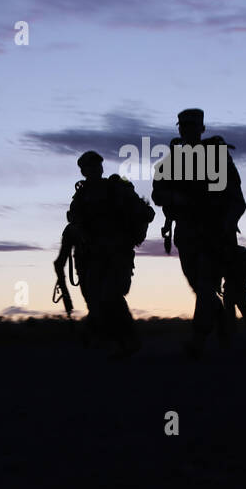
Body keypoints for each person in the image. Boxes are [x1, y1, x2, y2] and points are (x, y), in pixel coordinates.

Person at [151, 109, 246, 357]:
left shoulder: (217, 159)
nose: (188, 130)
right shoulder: (171, 162)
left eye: (193, 126)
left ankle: (198, 338)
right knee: (198, 285)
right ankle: (223, 322)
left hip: (214, 233)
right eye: (184, 126)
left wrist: (226, 225)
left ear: (201, 129)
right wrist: (173, 196)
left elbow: (237, 200)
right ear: (179, 129)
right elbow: (157, 193)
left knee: (205, 284)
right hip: (187, 234)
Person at [63, 150, 154, 356]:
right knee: (97, 301)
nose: (94, 170)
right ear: (83, 171)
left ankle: (126, 340)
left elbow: (146, 212)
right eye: (89, 167)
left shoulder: (116, 188)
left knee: (110, 296)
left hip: (118, 254)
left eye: (96, 166)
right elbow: (74, 222)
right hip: (94, 256)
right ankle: (115, 341)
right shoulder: (81, 195)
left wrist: (130, 226)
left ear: (101, 168)